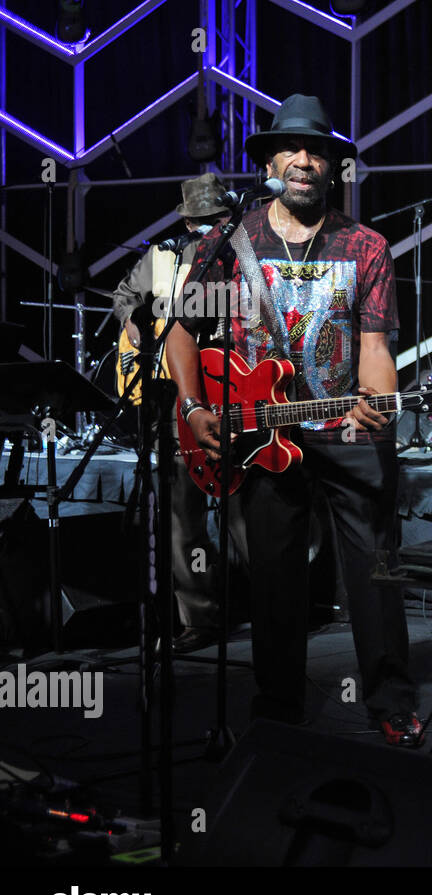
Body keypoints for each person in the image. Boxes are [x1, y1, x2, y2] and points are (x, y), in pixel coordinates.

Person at [165, 94, 423, 746]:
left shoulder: (365, 247)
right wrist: (194, 407)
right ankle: (278, 712)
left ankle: (391, 705)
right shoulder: (233, 243)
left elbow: (374, 347)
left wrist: (377, 411)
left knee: (374, 567)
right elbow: (179, 334)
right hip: (260, 430)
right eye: (293, 150)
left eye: (319, 151)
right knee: (275, 580)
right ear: (272, 162)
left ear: (333, 167)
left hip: (341, 426)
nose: (306, 160)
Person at [112, 173, 232, 654]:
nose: (207, 229)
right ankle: (198, 618)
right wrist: (133, 324)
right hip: (174, 398)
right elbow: (123, 295)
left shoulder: (243, 257)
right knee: (183, 515)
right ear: (185, 220)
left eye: (216, 220)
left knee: (244, 511)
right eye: (199, 222)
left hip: (233, 393)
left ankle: (268, 608)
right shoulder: (161, 258)